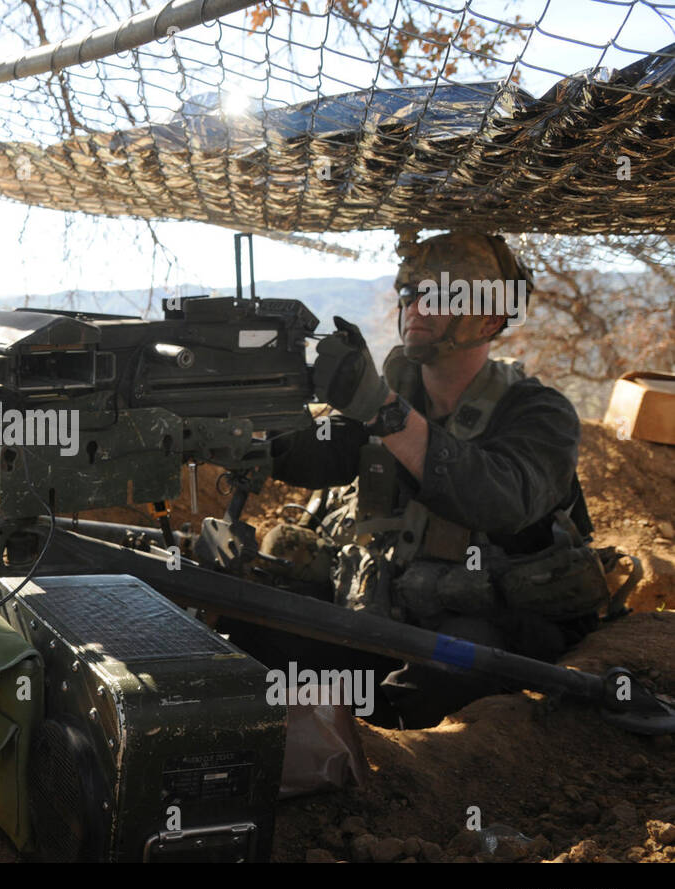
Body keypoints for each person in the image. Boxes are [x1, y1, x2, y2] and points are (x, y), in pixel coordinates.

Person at [255, 230, 618, 728]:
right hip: (389, 613)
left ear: (490, 318)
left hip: (491, 627)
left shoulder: (540, 414)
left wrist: (381, 410)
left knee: (433, 684)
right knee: (255, 638)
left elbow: (497, 497)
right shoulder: (395, 395)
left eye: (441, 295)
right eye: (410, 293)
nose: (417, 307)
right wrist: (250, 423)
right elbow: (318, 452)